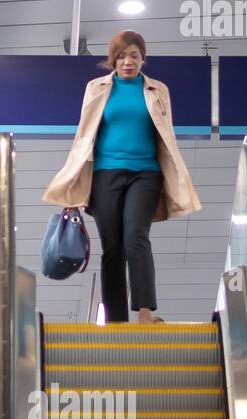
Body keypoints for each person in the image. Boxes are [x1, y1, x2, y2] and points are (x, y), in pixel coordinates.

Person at [40, 30, 201, 323]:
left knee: (135, 239)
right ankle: (115, 319)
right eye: (122, 56)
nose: (128, 62)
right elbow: (84, 136)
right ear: (113, 60)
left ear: (143, 59)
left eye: (135, 56)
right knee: (112, 248)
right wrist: (74, 188)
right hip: (105, 174)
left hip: (146, 173)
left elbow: (166, 135)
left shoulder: (157, 90)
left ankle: (144, 311)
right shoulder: (96, 88)